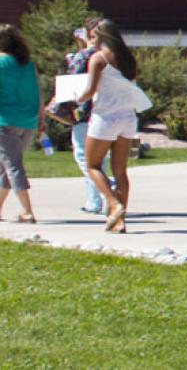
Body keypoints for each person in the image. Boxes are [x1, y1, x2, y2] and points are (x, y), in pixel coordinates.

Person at [76, 19, 151, 233]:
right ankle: (119, 221)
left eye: (93, 36)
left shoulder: (98, 58)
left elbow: (90, 91)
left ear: (99, 37)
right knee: (120, 171)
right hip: (128, 117)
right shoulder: (129, 59)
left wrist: (76, 99)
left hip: (105, 116)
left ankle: (113, 203)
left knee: (92, 165)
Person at [0, 24, 42, 224]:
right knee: (6, 166)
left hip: (5, 120)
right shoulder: (28, 64)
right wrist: (42, 118)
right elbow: (38, 91)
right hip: (28, 121)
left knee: (13, 165)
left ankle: (27, 210)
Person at [66, 19, 108, 214]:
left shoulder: (86, 55)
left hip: (84, 113)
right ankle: (94, 201)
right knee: (100, 158)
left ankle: (108, 189)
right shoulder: (112, 55)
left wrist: (76, 53)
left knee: (85, 158)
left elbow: (73, 73)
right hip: (106, 112)